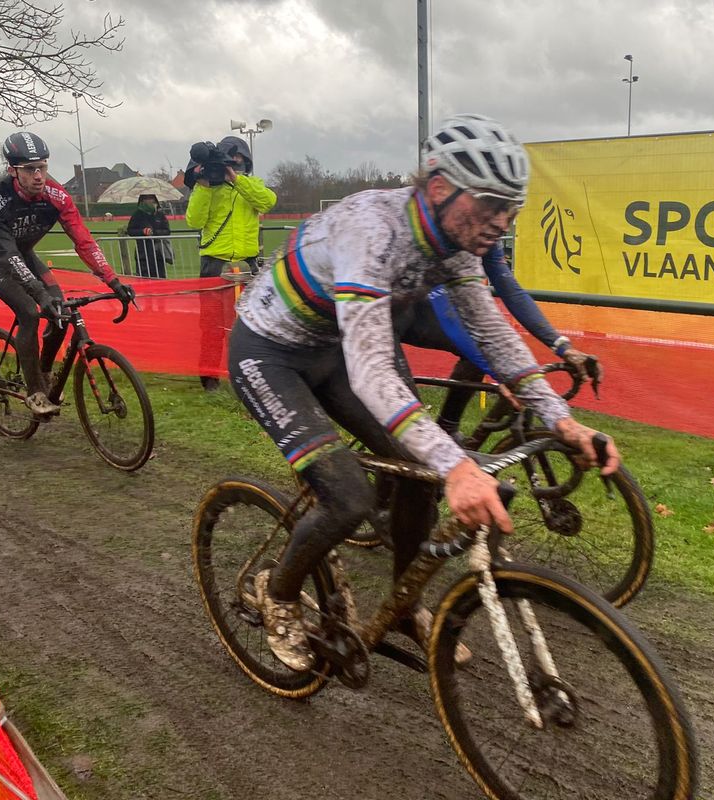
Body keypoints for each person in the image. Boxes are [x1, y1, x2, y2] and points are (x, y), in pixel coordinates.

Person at [228, 113, 621, 671]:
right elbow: (371, 372)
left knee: (419, 474)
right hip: (271, 354)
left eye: (512, 208)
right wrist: (458, 467)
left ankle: (403, 605)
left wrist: (563, 421)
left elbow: (491, 333)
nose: (501, 221)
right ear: (439, 188)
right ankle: (279, 594)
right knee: (350, 497)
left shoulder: (457, 244)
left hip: (333, 349)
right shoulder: (373, 230)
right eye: (490, 203)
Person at [0, 131, 135, 416]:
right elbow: (7, 254)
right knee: (29, 312)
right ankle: (35, 392)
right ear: (12, 170)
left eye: (42, 167)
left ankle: (43, 374)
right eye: (29, 169)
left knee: (60, 310)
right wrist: (37, 293)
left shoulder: (57, 196)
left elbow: (84, 241)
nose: (38, 176)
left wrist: (113, 280)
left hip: (24, 254)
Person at [395, 241, 603, 437]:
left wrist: (563, 347)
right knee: (410, 432)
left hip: (417, 307)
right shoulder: (445, 225)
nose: (502, 225)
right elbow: (448, 312)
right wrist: (500, 372)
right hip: (385, 312)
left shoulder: (486, 232)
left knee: (484, 349)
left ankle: (448, 428)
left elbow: (511, 290)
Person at [185, 135, 276, 391]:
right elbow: (194, 221)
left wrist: (236, 180)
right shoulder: (207, 189)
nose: (233, 166)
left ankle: (250, 374)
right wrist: (204, 186)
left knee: (251, 323)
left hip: (247, 265)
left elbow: (267, 201)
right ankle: (210, 377)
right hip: (215, 264)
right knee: (212, 324)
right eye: (229, 162)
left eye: (238, 162)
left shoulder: (251, 185)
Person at [126, 192, 173, 279]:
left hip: (158, 251)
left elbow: (167, 231)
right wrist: (143, 232)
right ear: (142, 201)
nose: (149, 201)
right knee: (143, 277)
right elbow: (130, 230)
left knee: (160, 276)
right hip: (143, 251)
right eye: (146, 199)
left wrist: (154, 233)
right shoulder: (137, 214)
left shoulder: (160, 214)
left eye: (151, 198)